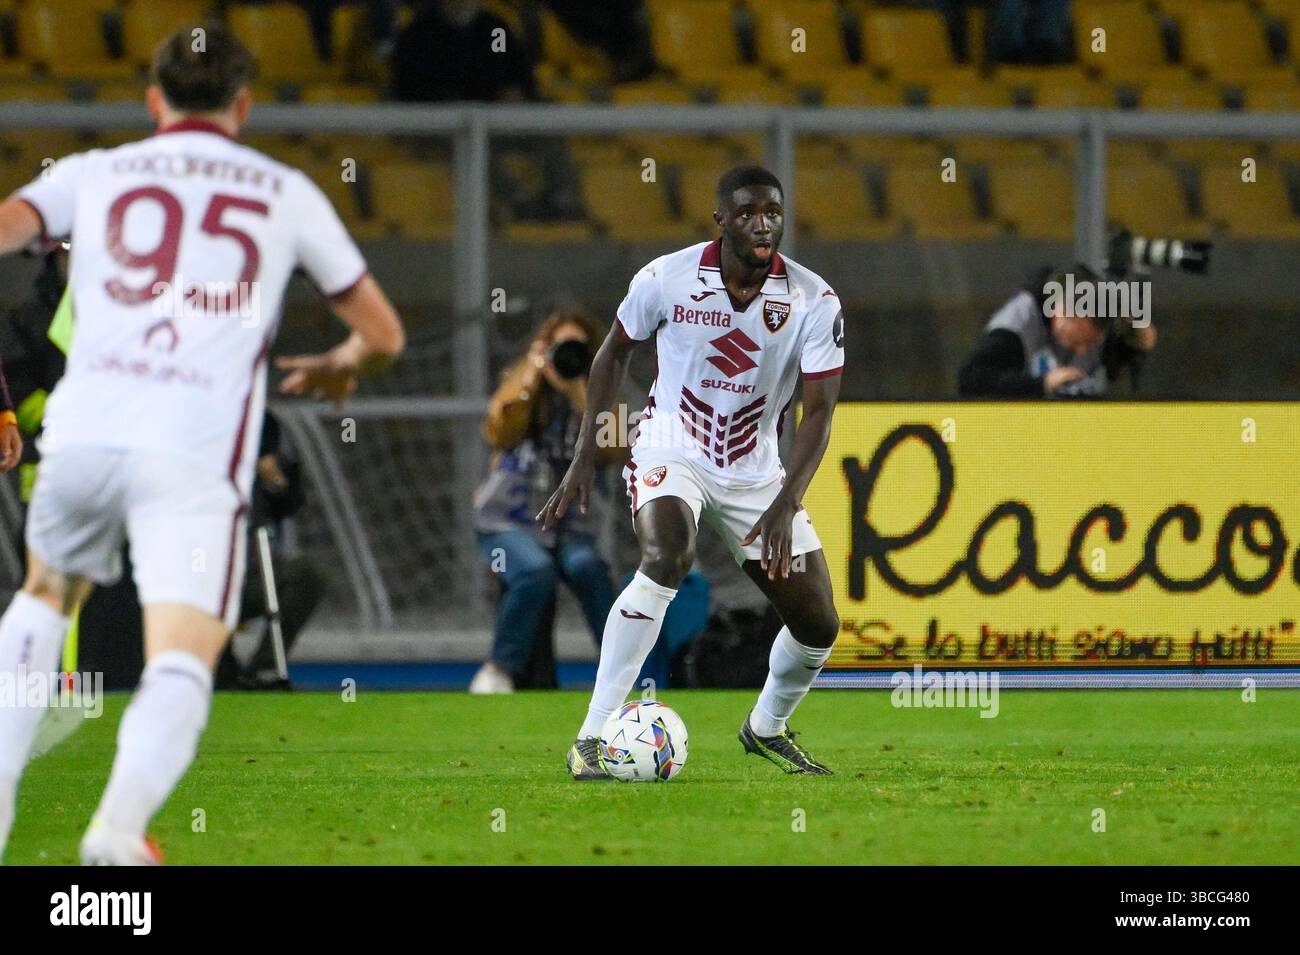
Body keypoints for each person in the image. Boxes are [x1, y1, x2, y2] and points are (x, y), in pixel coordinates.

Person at [0, 23, 405, 864]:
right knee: (182, 657)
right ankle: (114, 830)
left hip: (79, 438)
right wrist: (342, 362)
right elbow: (384, 332)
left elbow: (7, 227)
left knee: (42, 597)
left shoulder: (92, 172)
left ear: (153, 100)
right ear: (244, 106)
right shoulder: (285, 191)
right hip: (189, 457)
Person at [537, 165, 846, 778]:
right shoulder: (666, 277)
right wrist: (583, 453)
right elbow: (612, 352)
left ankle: (766, 728)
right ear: (721, 220)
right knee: (666, 558)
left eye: (773, 213)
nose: (763, 225)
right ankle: (591, 737)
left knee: (818, 625)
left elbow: (819, 413)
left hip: (756, 471)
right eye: (749, 213)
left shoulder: (815, 299)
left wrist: (787, 498)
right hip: (670, 447)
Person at [471, 308, 623, 694]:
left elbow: (618, 448)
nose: (567, 357)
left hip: (570, 528)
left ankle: (623, 673)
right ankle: (499, 671)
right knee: (534, 570)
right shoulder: (521, 385)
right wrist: (531, 376)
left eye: (578, 349)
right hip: (508, 520)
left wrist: (579, 393)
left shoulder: (605, 393)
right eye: (560, 348)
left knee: (590, 571)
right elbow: (499, 434)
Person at [214, 410, 324, 691]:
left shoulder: (264, 422)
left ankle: (264, 669)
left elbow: (292, 502)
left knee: (306, 576)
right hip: (193, 580)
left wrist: (273, 479)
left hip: (246, 574)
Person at [957, 263, 1157, 398]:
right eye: (1078, 342)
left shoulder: (1097, 319)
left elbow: (1116, 367)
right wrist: (1042, 384)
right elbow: (971, 380)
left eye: (1090, 343)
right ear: (1061, 314)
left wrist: (1137, 339)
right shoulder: (1017, 325)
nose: (1082, 352)